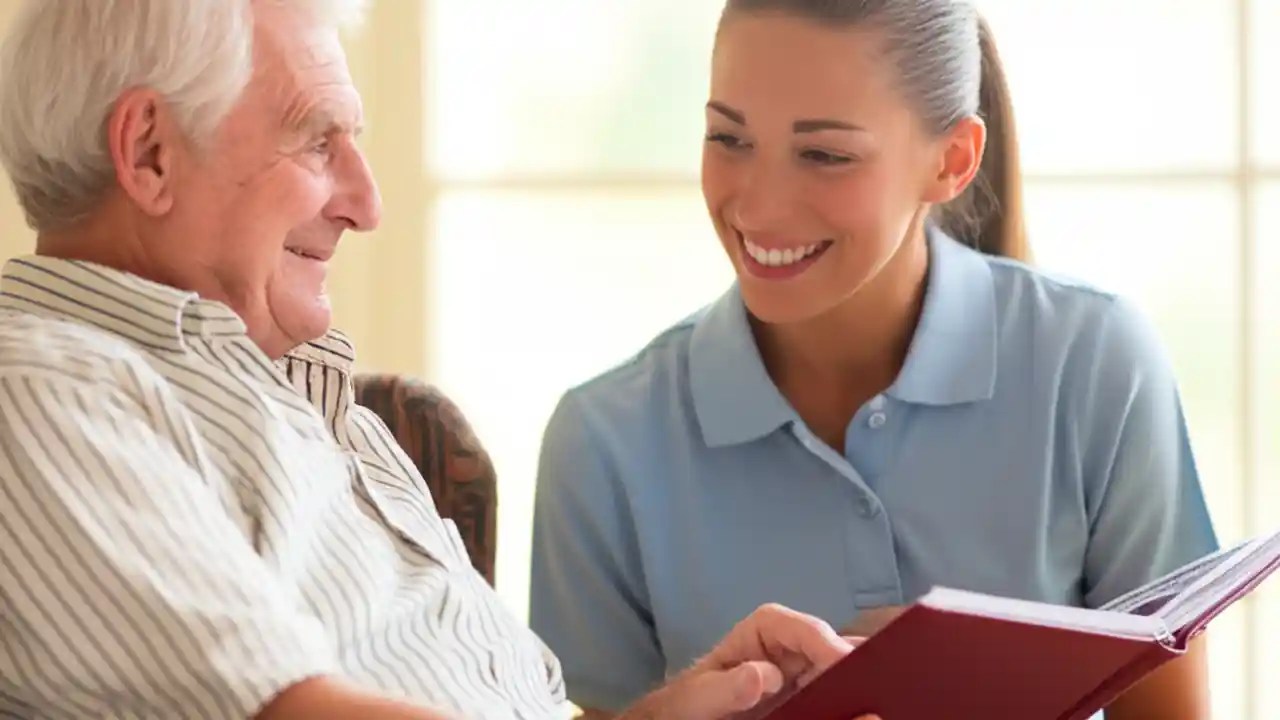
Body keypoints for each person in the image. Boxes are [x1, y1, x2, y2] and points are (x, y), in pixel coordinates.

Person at [0, 2, 884, 719]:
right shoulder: (43, 393)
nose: (366, 201)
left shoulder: (315, 405)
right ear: (149, 152)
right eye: (318, 140)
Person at [529, 1, 1220, 718]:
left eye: (824, 154)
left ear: (952, 160)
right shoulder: (604, 441)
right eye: (728, 138)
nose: (758, 208)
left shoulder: (1096, 366)